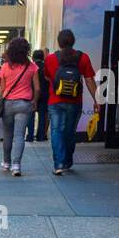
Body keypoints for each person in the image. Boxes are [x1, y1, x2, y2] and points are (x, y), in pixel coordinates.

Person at [43, 30, 98, 174]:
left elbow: (48, 77)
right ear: (73, 41)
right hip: (75, 101)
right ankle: (67, 160)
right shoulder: (83, 57)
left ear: (58, 42)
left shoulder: (50, 59)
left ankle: (58, 163)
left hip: (55, 100)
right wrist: (97, 99)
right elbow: (89, 80)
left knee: (56, 130)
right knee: (70, 131)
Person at [0, 37, 40, 176]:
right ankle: (16, 165)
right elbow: (37, 88)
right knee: (20, 135)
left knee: (8, 134)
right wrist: (35, 101)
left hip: (8, 104)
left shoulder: (5, 67)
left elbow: (2, 89)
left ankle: (6, 162)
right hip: (24, 104)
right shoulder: (32, 66)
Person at [26, 48, 49, 143]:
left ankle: (30, 136)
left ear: (33, 58)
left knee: (30, 116)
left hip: (32, 94)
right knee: (42, 116)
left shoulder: (31, 67)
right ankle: (40, 136)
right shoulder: (46, 67)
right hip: (44, 95)